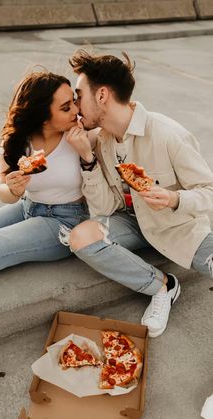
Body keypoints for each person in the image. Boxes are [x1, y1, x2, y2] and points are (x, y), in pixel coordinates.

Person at [64, 50, 213, 338]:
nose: (76, 105)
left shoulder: (167, 133)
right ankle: (163, 287)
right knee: (80, 237)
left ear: (103, 95)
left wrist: (174, 199)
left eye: (79, 95)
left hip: (177, 227)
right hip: (131, 224)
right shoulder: (102, 141)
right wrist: (87, 159)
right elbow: (106, 207)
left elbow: (209, 190)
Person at [0, 71, 90, 279]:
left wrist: (86, 153)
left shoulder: (81, 135)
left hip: (67, 222)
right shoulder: (17, 142)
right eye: (66, 108)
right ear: (43, 117)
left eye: (73, 101)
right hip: (28, 206)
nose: (76, 110)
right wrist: (12, 189)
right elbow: (3, 191)